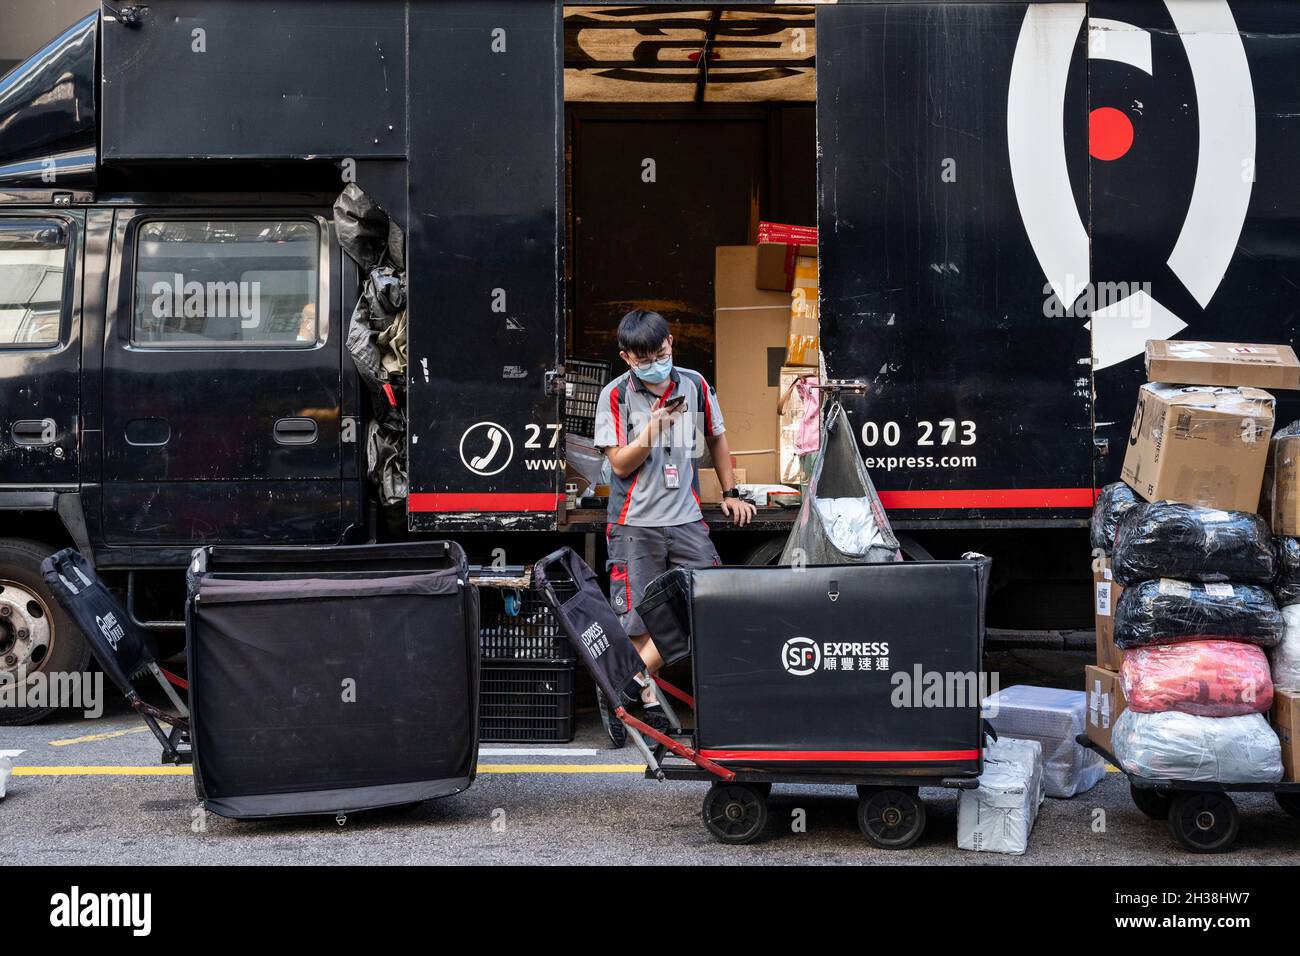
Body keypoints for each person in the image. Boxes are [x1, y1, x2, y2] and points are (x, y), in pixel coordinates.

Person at [592, 309, 756, 746]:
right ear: (627, 357)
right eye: (643, 359)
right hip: (635, 525)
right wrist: (651, 430)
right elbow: (618, 464)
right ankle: (644, 700)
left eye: (660, 353)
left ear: (671, 344)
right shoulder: (614, 395)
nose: (655, 364)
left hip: (686, 520)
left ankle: (623, 686)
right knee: (640, 619)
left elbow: (717, 437)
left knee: (709, 604)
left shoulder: (695, 384)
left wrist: (731, 491)